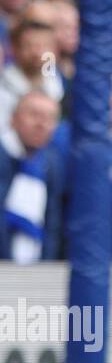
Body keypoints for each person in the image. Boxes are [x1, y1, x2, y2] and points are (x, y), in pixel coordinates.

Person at [0, 90, 64, 262]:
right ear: (13, 119)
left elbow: (53, 222)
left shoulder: (52, 163)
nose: (41, 124)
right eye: (34, 115)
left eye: (50, 118)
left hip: (34, 271)